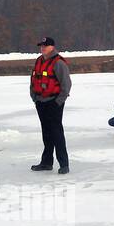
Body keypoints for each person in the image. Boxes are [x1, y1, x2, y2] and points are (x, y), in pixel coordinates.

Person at [29, 36, 71, 174]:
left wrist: (58, 102)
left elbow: (66, 85)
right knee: (46, 133)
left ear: (52, 47)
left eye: (45, 46)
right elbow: (33, 80)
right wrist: (35, 98)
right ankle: (46, 162)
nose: (42, 48)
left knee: (57, 133)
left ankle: (64, 164)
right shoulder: (39, 61)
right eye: (41, 46)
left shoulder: (59, 63)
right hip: (41, 102)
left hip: (54, 102)